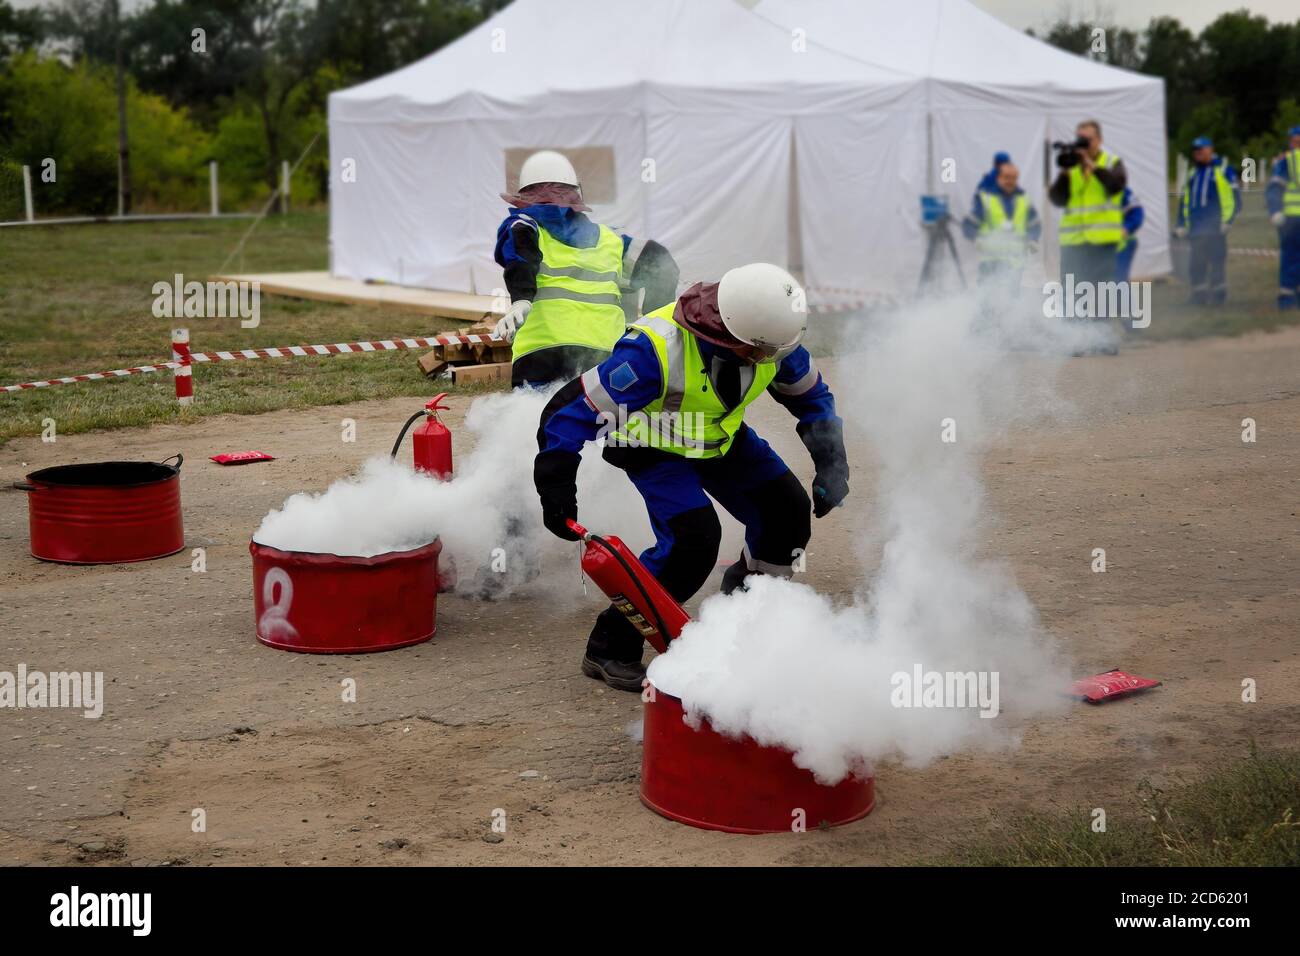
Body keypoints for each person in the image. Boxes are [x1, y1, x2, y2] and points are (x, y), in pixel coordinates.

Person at [533, 263, 849, 691]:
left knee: (786, 514)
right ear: (728, 335)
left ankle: (745, 612)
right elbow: (572, 412)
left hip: (719, 440)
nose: (770, 361)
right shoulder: (654, 351)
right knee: (693, 543)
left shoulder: (773, 341)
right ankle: (610, 646)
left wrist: (831, 459)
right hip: (649, 446)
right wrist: (555, 483)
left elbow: (812, 397)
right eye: (759, 353)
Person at [494, 150, 678, 387]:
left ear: (525, 196)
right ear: (576, 194)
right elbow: (662, 265)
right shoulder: (611, 240)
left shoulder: (524, 224)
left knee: (537, 420)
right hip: (603, 355)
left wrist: (521, 299)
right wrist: (655, 328)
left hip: (541, 351)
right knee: (598, 421)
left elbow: (521, 252)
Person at [1048, 120, 1127, 353]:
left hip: (1102, 240)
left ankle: (1102, 340)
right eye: (1080, 139)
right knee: (1072, 293)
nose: (1083, 145)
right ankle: (1074, 341)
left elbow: (1115, 187)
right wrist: (1064, 172)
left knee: (1101, 292)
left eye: (1088, 139)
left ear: (1099, 140)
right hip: (1074, 241)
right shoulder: (1071, 168)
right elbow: (1057, 200)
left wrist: (1091, 165)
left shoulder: (1112, 162)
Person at [1174, 136, 1240, 305]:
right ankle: (1199, 296)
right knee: (1196, 265)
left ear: (1211, 150)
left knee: (1217, 262)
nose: (1198, 154)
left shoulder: (1223, 170)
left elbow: (1235, 199)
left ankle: (1219, 297)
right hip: (1196, 229)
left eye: (1202, 150)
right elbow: (1185, 202)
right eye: (1196, 151)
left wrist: (1228, 221)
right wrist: (1181, 224)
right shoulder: (1192, 174)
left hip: (1216, 227)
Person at [961, 161, 1040, 288]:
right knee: (987, 300)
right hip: (990, 261)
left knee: (1010, 302)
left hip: (1015, 263)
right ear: (998, 178)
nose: (1010, 181)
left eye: (1013, 178)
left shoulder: (1023, 200)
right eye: (1006, 178)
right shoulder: (986, 199)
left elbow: (1034, 223)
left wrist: (1033, 239)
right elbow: (969, 224)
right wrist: (976, 239)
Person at [1265, 126, 1300, 310]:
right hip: (1290, 219)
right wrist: (1275, 211)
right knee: (1291, 258)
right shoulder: (1286, 162)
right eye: (1295, 140)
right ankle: (1287, 298)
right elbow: (1274, 188)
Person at [1115, 187, 1144, 283]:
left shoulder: (1123, 191)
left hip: (1122, 243)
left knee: (1118, 282)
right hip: (1100, 245)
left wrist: (1127, 227)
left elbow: (1138, 214)